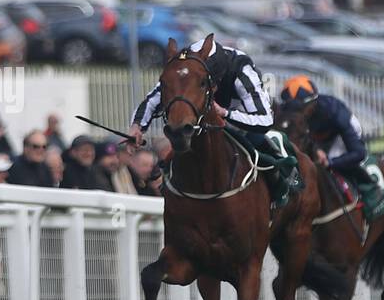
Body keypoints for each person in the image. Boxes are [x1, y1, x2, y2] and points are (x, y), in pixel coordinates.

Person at [127, 35, 301, 207]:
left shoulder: (240, 67)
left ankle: (282, 182)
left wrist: (225, 113)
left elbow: (265, 120)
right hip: (204, 124)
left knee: (260, 140)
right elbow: (154, 98)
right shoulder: (187, 65)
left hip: (242, 121)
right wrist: (137, 127)